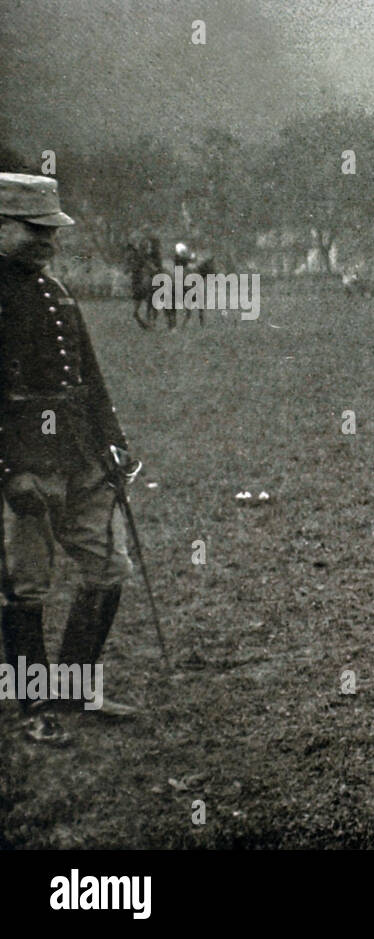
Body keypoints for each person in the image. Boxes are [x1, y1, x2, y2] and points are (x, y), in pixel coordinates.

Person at [0, 173, 141, 744]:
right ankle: (32, 701)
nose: (47, 243)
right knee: (24, 585)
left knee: (109, 567)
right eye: (33, 231)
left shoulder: (56, 291)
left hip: (81, 455)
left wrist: (114, 440)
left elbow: (90, 377)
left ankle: (75, 684)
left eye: (50, 232)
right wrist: (7, 472)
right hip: (24, 462)